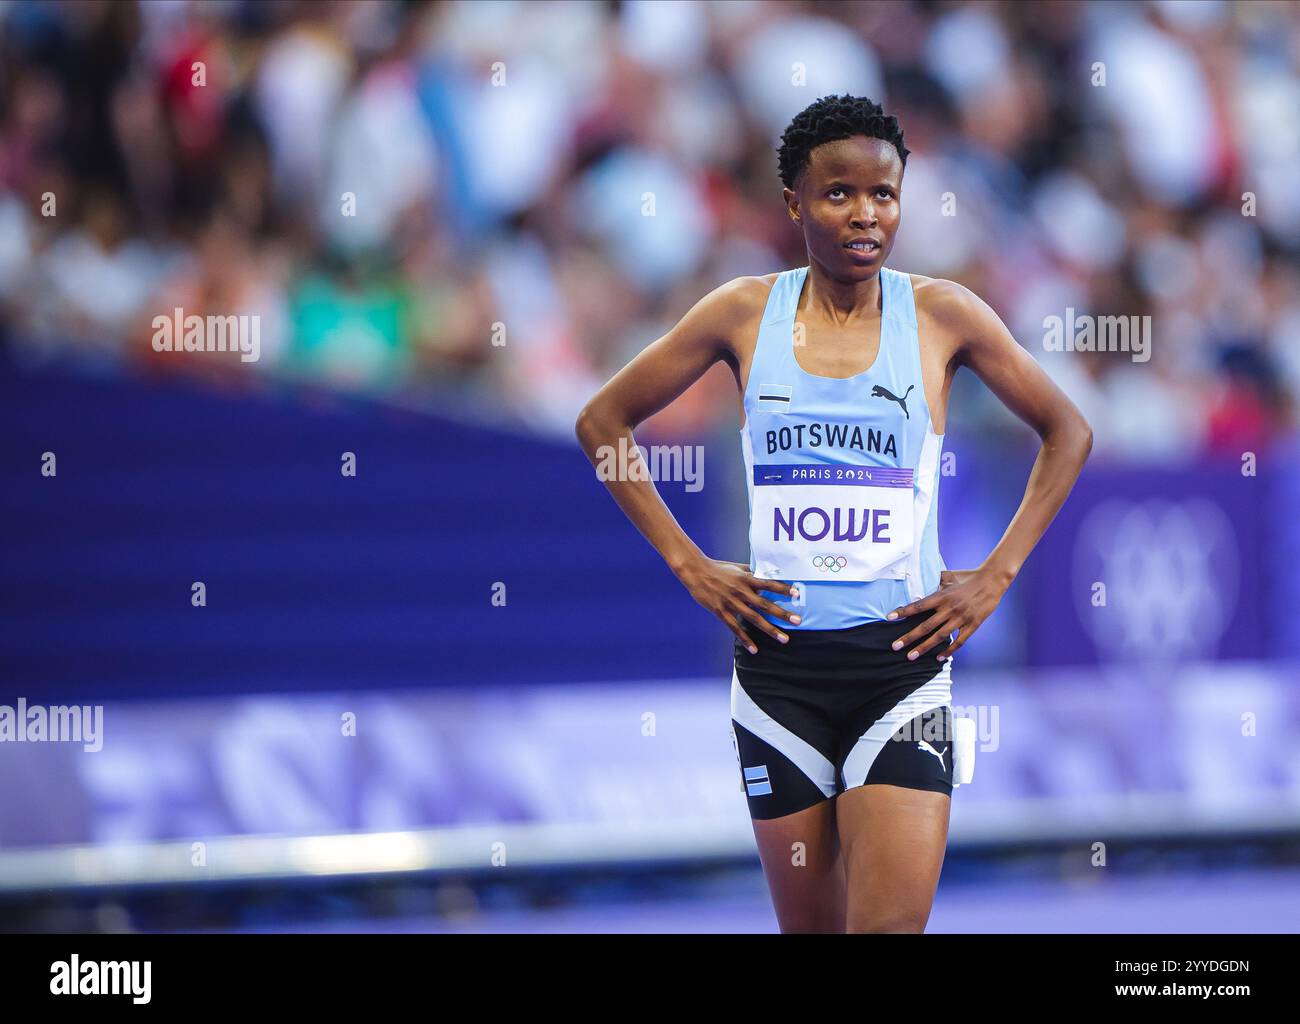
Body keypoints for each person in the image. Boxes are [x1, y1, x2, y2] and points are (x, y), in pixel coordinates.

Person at [575, 94, 1092, 933]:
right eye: (839, 193)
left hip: (901, 670)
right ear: (794, 203)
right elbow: (603, 422)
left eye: (884, 194)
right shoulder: (744, 313)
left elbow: (1067, 431)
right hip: (779, 681)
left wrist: (995, 576)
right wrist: (690, 566)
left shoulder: (942, 315)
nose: (865, 214)